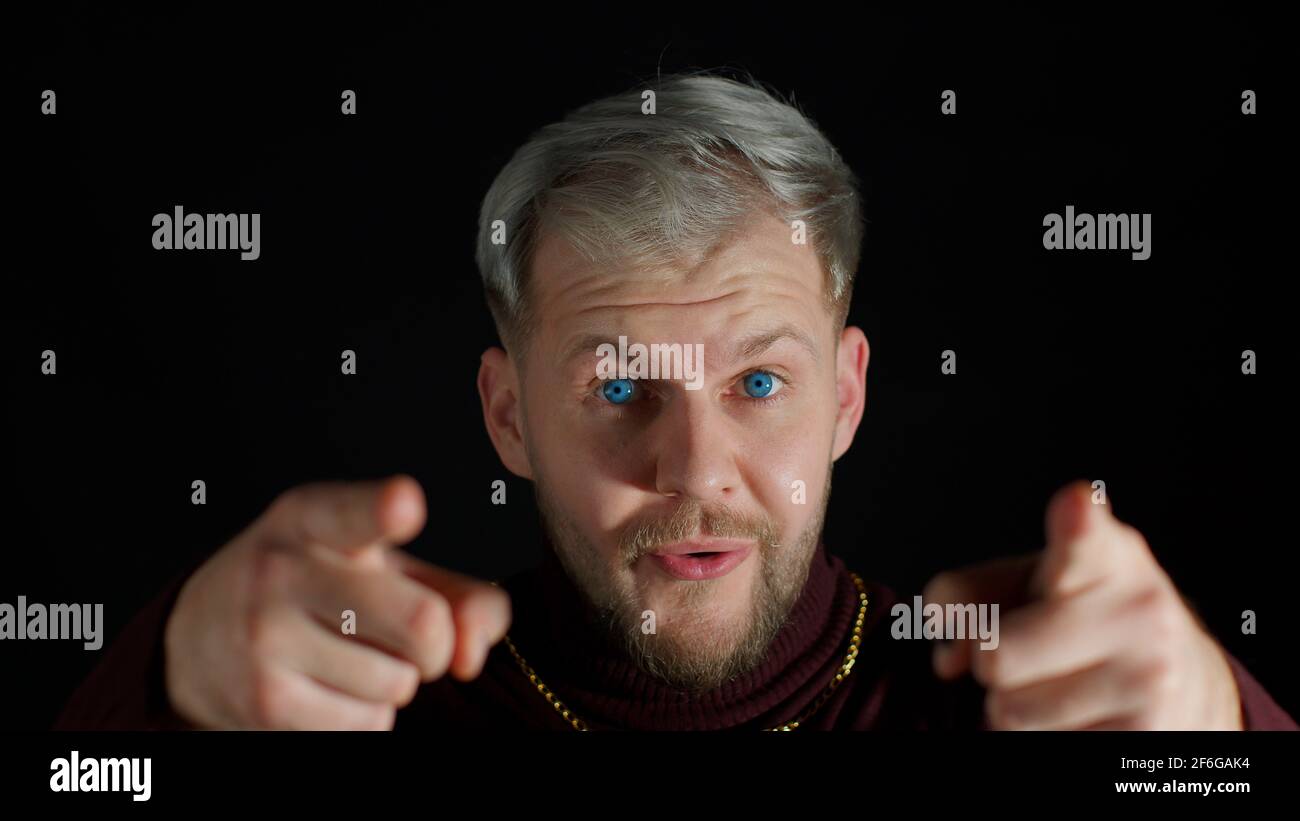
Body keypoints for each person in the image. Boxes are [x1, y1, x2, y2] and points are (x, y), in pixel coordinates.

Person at [57, 73, 1295, 731]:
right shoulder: (345, 700)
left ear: (846, 398)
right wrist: (169, 690)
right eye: (616, 386)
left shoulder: (1023, 701)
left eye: (760, 381)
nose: (695, 467)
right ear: (507, 418)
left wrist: (1202, 739)